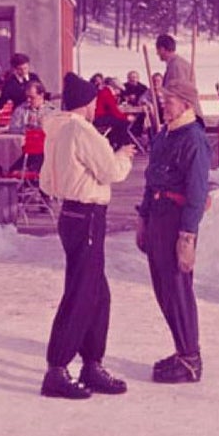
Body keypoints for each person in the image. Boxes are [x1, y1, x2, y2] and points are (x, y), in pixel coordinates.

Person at [38, 73, 137, 399]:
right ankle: (57, 368)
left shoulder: (56, 129)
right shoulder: (81, 130)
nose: (96, 107)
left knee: (97, 292)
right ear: (86, 103)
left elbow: (45, 181)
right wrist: (122, 155)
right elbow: (110, 171)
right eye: (94, 102)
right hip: (88, 215)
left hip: (71, 214)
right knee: (82, 293)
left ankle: (91, 363)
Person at [137, 79, 212, 383]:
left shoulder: (193, 138)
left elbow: (197, 191)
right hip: (157, 216)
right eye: (163, 99)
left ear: (185, 104)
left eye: (169, 100)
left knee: (178, 289)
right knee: (164, 289)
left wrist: (187, 236)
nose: (163, 104)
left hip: (176, 221)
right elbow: (150, 178)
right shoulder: (164, 135)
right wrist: (143, 217)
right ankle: (181, 349)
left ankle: (191, 357)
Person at [155, 34, 202, 122]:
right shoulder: (175, 64)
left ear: (162, 49)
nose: (157, 53)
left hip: (185, 117)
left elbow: (179, 94)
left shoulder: (177, 66)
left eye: (157, 50)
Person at [93, 72, 137, 149]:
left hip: (99, 116)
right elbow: (114, 111)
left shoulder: (104, 91)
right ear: (115, 88)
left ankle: (115, 142)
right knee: (123, 122)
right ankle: (121, 144)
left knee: (118, 122)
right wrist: (126, 117)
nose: (119, 93)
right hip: (99, 118)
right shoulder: (107, 93)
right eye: (119, 90)